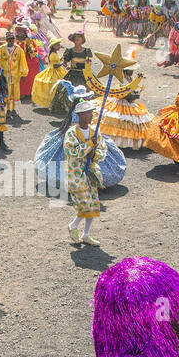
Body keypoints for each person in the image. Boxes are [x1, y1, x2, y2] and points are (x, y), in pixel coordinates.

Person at [63, 95, 108, 246]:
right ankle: (73, 225)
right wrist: (89, 145)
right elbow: (72, 152)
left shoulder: (95, 132)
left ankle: (86, 234)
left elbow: (102, 149)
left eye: (92, 112)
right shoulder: (71, 133)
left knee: (93, 204)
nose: (91, 115)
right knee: (85, 204)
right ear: (80, 115)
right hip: (77, 174)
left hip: (91, 173)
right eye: (88, 113)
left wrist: (94, 153)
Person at [30, 38, 66, 108]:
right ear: (53, 46)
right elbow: (55, 66)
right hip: (54, 71)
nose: (59, 47)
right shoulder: (52, 54)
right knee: (52, 83)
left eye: (59, 45)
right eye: (57, 45)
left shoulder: (55, 53)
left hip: (58, 71)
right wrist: (62, 63)